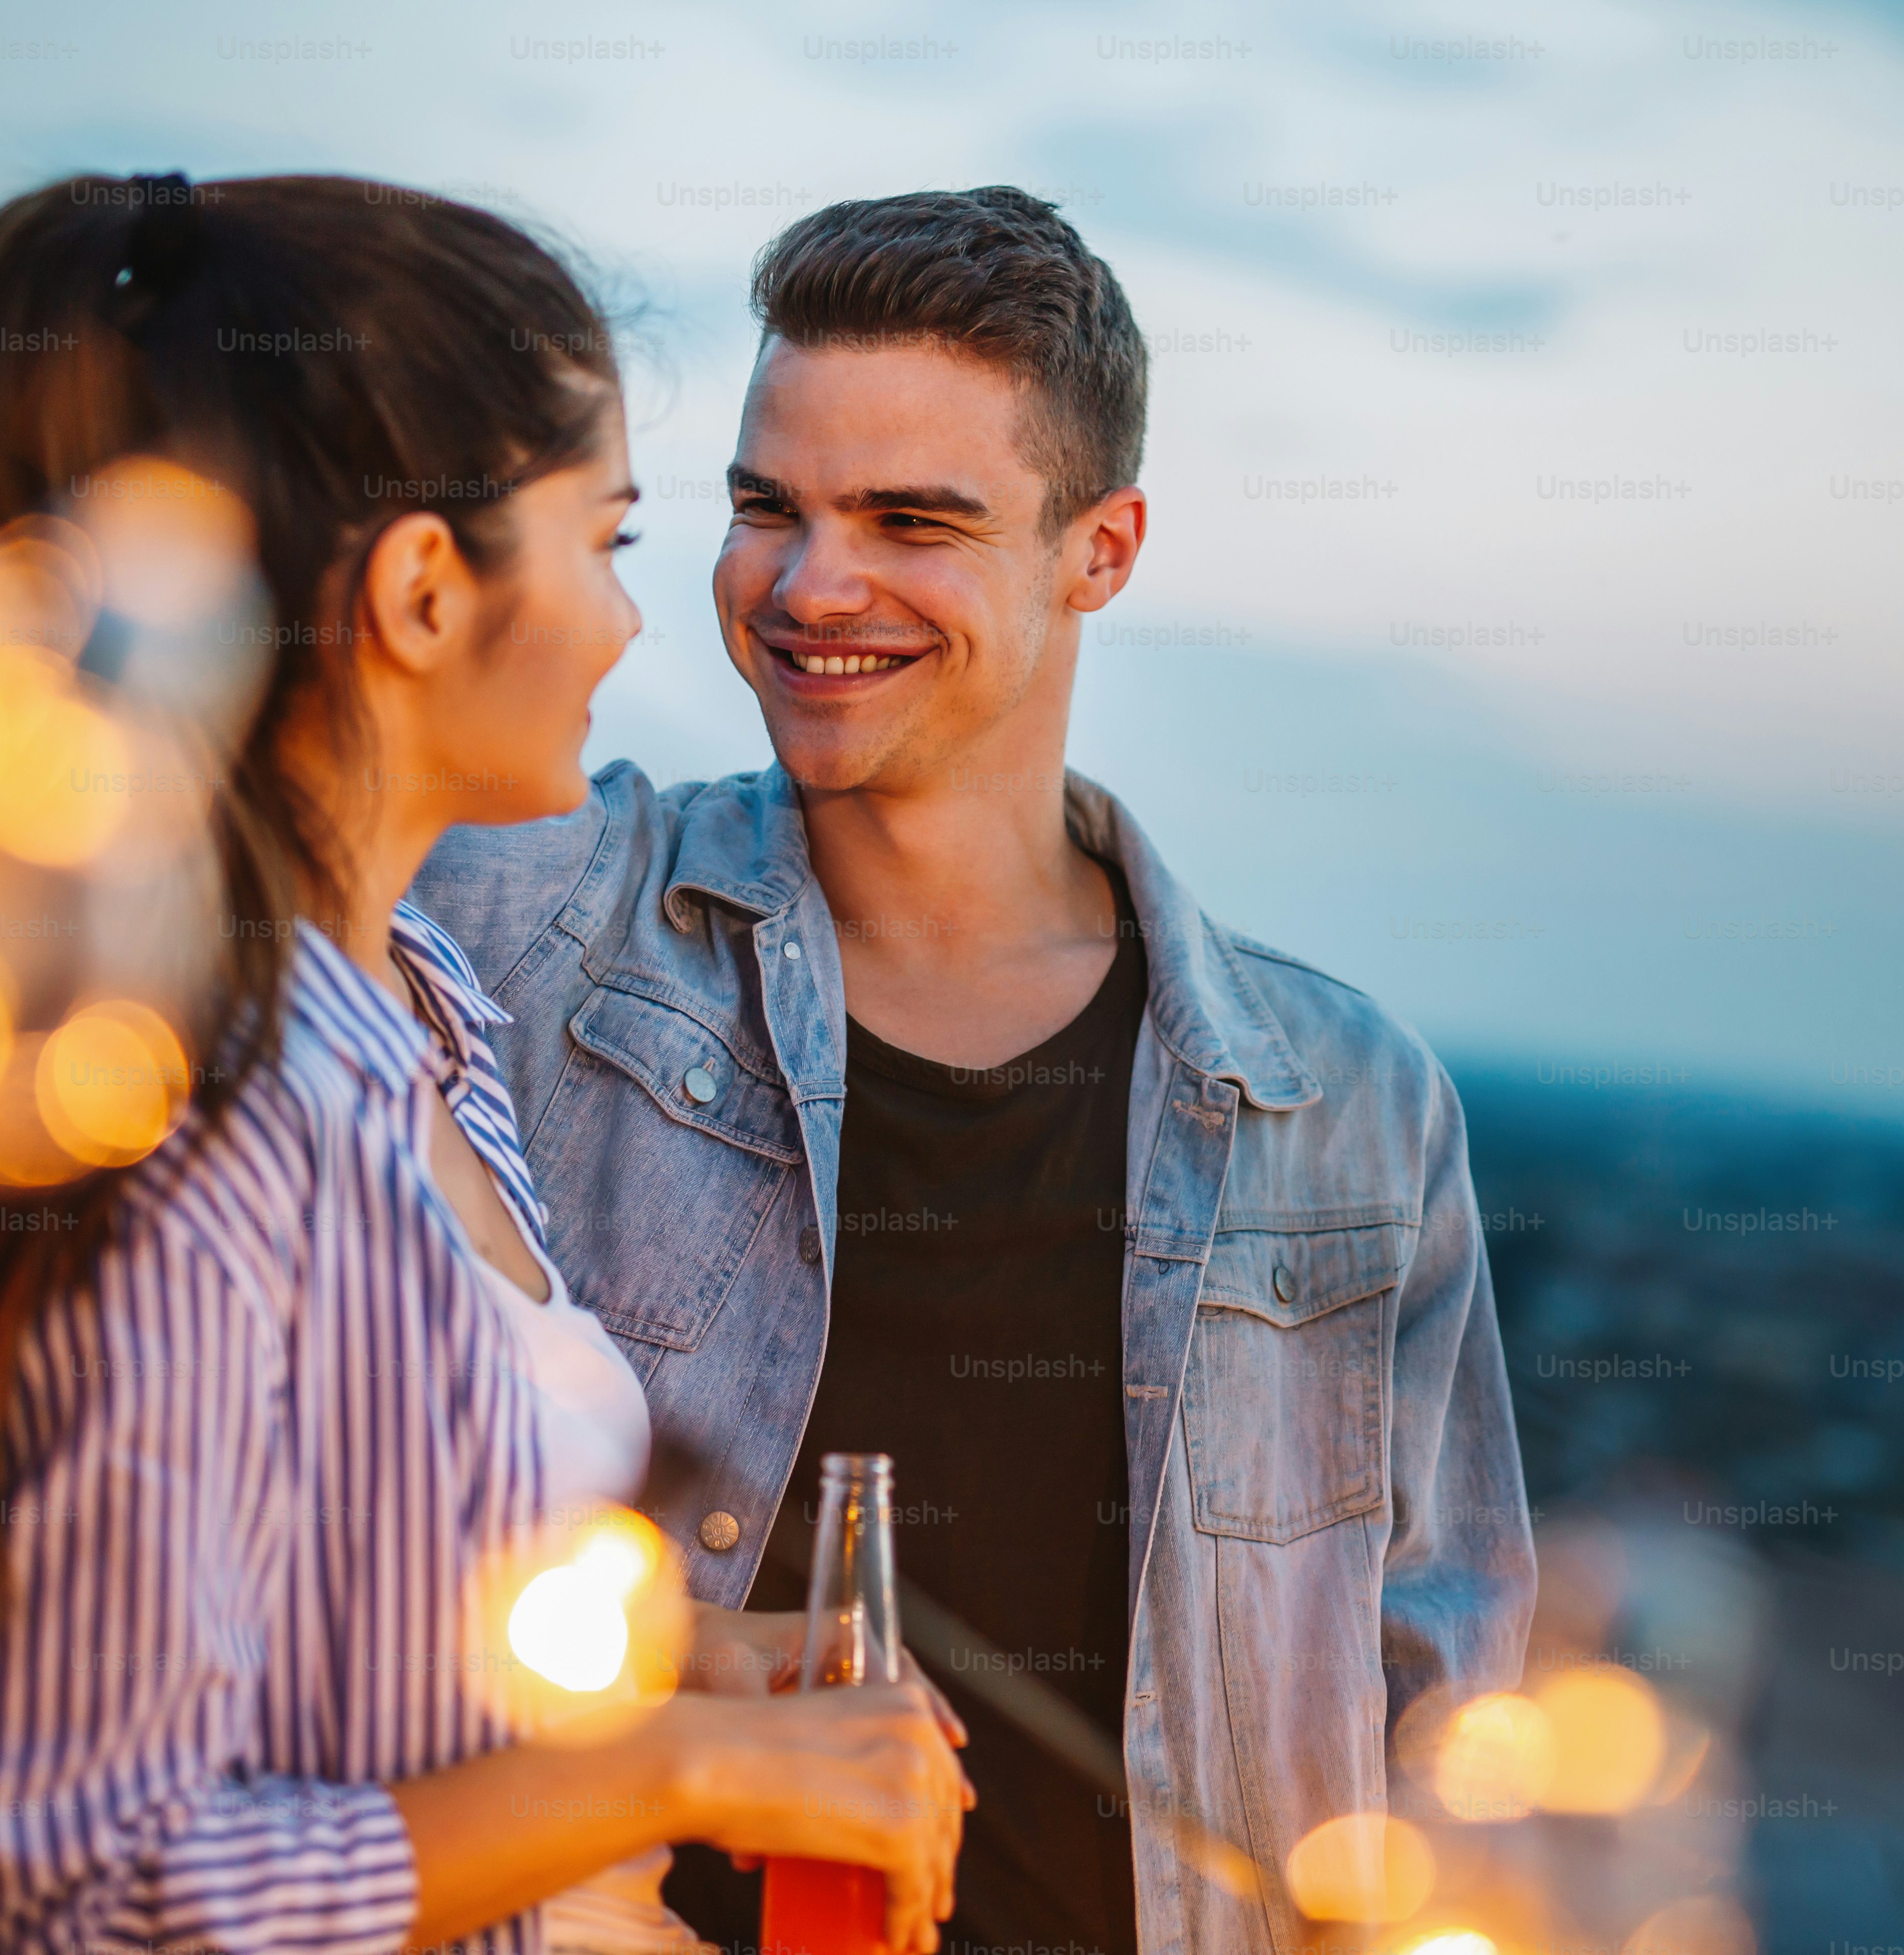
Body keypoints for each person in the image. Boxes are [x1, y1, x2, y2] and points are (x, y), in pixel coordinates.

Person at [0, 175, 967, 1955]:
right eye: (608, 543)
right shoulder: (184, 1109)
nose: (636, 627)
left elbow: (336, 1612)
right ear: (421, 591)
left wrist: (686, 1662)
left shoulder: (416, 1008)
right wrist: (691, 1775)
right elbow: (55, 1899)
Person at [412, 187, 1535, 1953]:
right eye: (764, 507)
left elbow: (1449, 1715)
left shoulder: (1348, 1109)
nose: (808, 586)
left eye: (909, 520)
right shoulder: (522, 919)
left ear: (1102, 550)